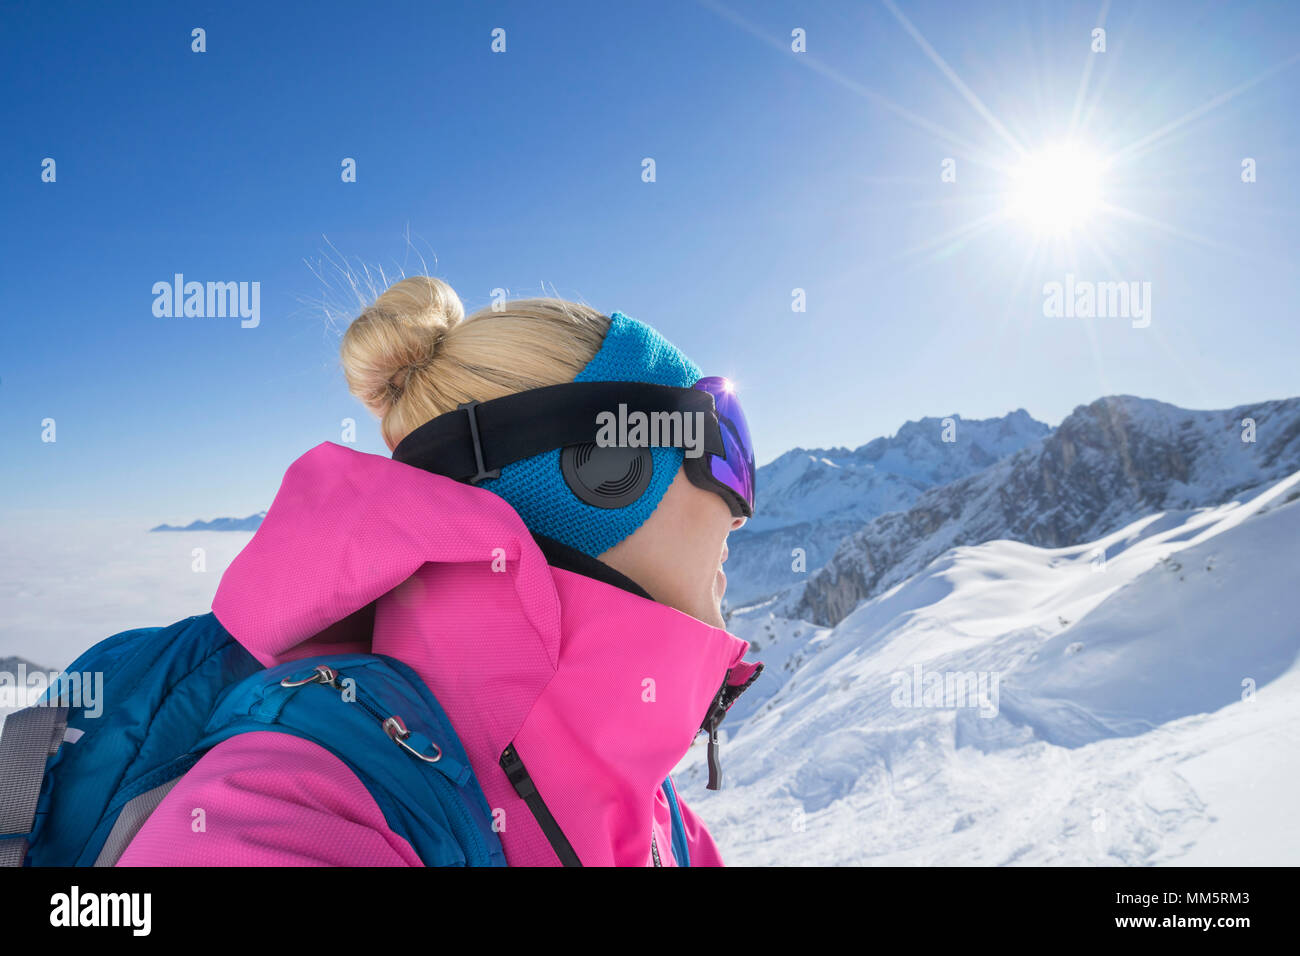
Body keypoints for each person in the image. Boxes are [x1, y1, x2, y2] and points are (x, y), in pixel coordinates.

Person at [116, 276, 762, 866]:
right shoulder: (289, 812)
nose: (740, 514)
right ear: (603, 475)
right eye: (726, 449)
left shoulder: (656, 822)